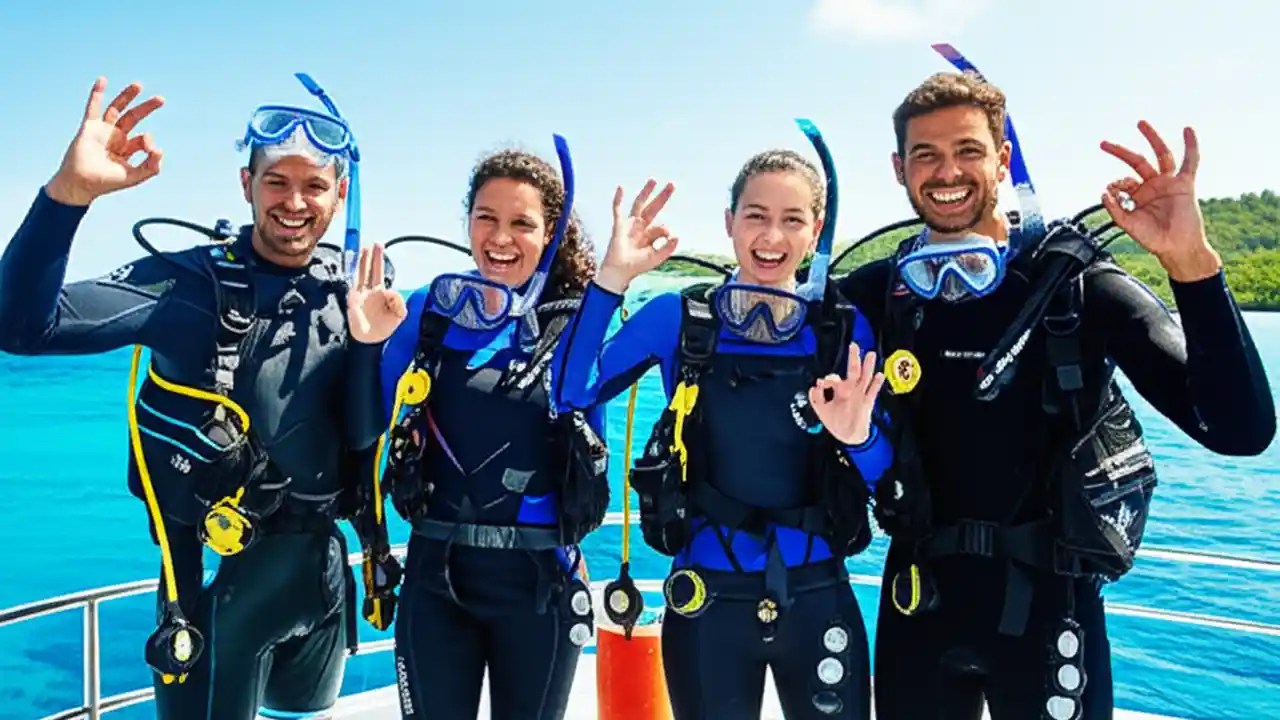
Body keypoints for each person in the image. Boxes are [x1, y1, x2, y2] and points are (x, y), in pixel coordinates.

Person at [836, 70, 1276, 720]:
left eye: (967, 150)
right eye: (925, 154)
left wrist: (1192, 264)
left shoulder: (1073, 284)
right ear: (899, 168)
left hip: (1051, 613)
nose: (945, 171)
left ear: (1003, 159)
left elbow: (1239, 430)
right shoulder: (876, 292)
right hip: (917, 605)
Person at [0, 76, 406, 720]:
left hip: (328, 580)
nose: (294, 202)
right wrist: (65, 199)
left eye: (314, 185)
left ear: (341, 193)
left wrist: (366, 345)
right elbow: (21, 326)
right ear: (246, 185)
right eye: (275, 181)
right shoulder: (186, 285)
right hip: (213, 593)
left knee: (313, 713)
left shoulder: (356, 288)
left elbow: (363, 438)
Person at [551, 128, 894, 720]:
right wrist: (611, 280)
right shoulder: (680, 318)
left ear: (815, 233)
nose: (771, 236)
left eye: (792, 220)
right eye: (756, 215)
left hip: (817, 594)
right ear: (729, 221)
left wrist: (858, 436)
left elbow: (886, 476)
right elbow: (570, 392)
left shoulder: (840, 330)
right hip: (706, 596)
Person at [376, 140, 612, 720]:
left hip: (538, 582)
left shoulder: (574, 326)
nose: (500, 237)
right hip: (435, 574)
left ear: (551, 233)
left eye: (521, 223)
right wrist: (365, 344)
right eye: (487, 218)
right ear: (468, 222)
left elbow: (591, 450)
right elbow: (367, 420)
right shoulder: (429, 313)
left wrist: (612, 286)